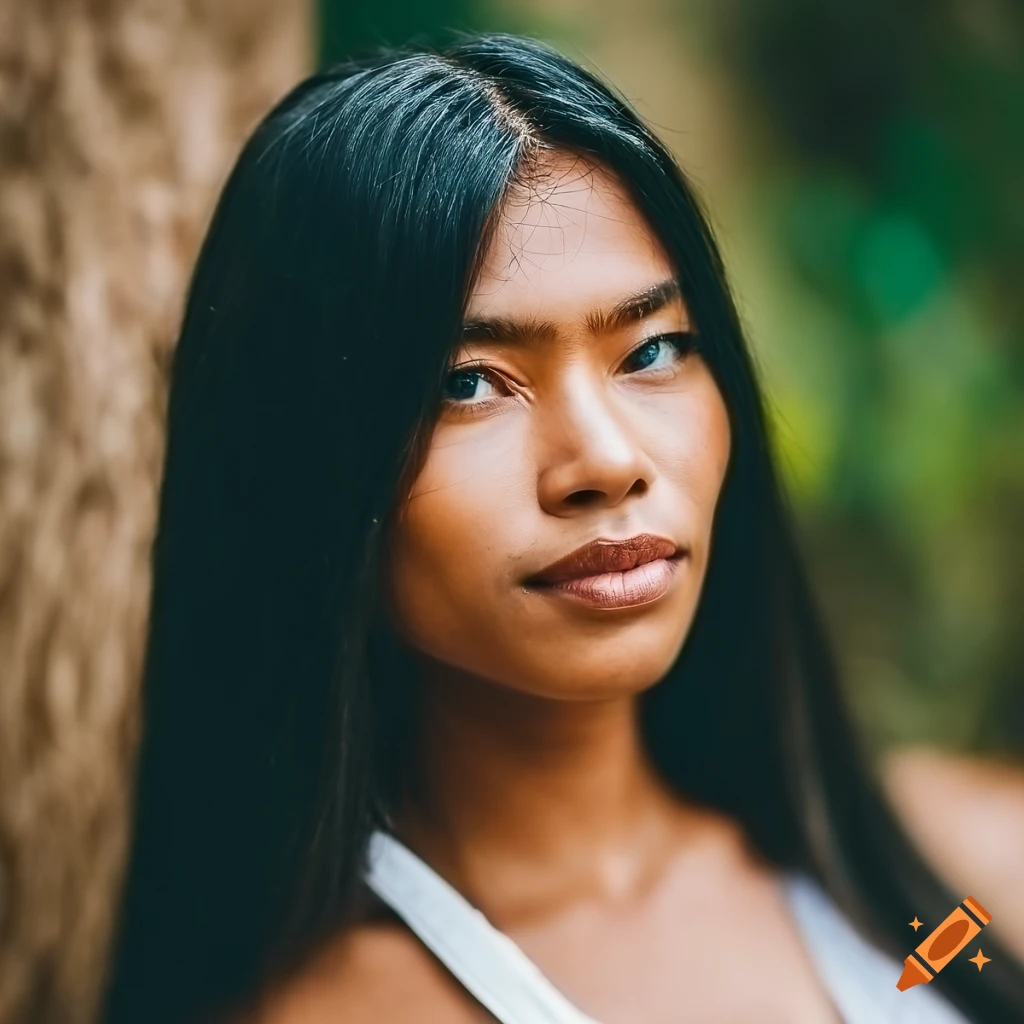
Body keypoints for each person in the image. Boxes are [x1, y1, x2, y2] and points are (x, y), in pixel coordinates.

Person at [99, 32, 1024, 1024]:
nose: (606, 460)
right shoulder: (342, 1007)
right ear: (311, 460)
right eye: (467, 384)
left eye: (653, 349)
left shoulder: (951, 877)